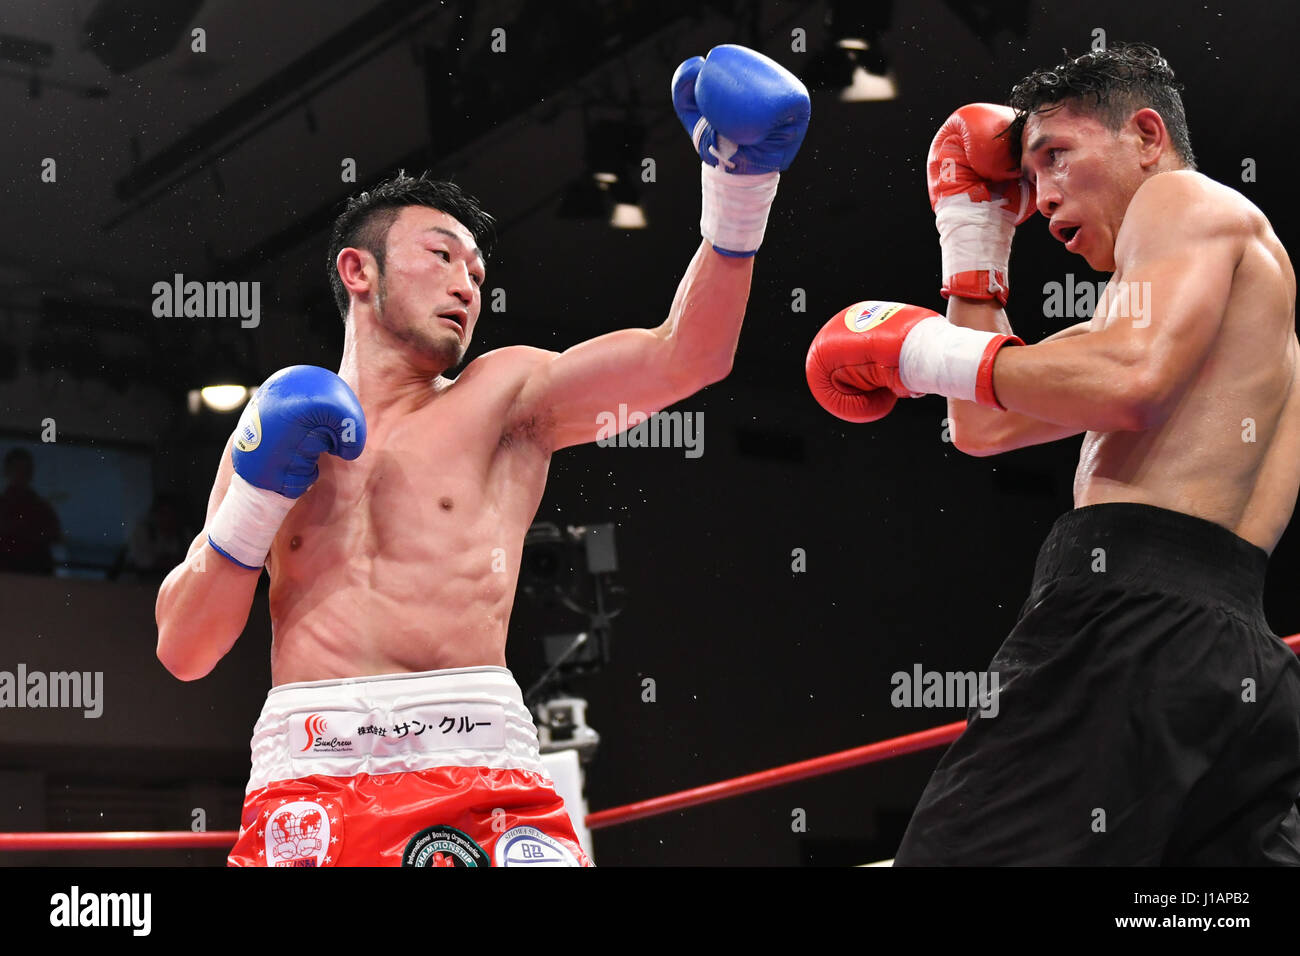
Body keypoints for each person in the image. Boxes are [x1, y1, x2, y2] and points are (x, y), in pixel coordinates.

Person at [155, 44, 810, 867]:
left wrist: (740, 190)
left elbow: (690, 357)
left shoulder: (504, 399)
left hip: (473, 761)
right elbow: (185, 652)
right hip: (307, 777)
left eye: (477, 268)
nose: (469, 284)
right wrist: (252, 508)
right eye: (441, 256)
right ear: (358, 270)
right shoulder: (276, 426)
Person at [806, 42, 1300, 864]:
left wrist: (917, 353)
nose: (1043, 196)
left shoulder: (1181, 200)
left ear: (1146, 135)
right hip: (1230, 659)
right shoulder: (1189, 305)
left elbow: (1128, 380)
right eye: (1027, 180)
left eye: (1057, 157)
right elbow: (984, 426)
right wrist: (974, 235)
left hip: (1127, 630)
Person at [0, 447, 62, 576]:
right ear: (7, 471)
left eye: (25, 470)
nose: (21, 474)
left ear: (31, 473)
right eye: (17, 469)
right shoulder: (41, 507)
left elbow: (54, 535)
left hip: (35, 575)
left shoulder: (42, 508)